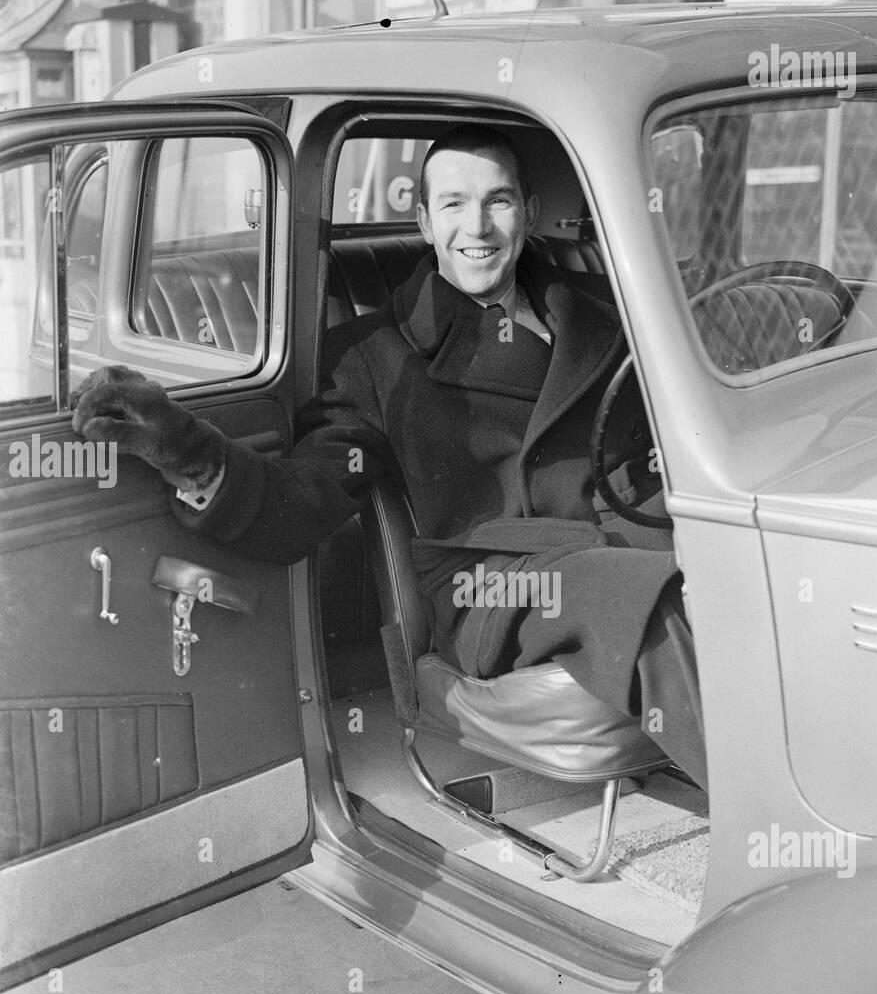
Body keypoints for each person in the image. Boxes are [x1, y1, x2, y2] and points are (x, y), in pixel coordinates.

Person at [71, 125, 707, 790]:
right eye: (455, 204)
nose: (478, 226)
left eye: (498, 200)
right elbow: (306, 497)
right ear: (426, 223)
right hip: (496, 576)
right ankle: (769, 824)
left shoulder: (603, 309)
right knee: (646, 597)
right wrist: (186, 450)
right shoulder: (375, 356)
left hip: (633, 529)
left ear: (527, 211)